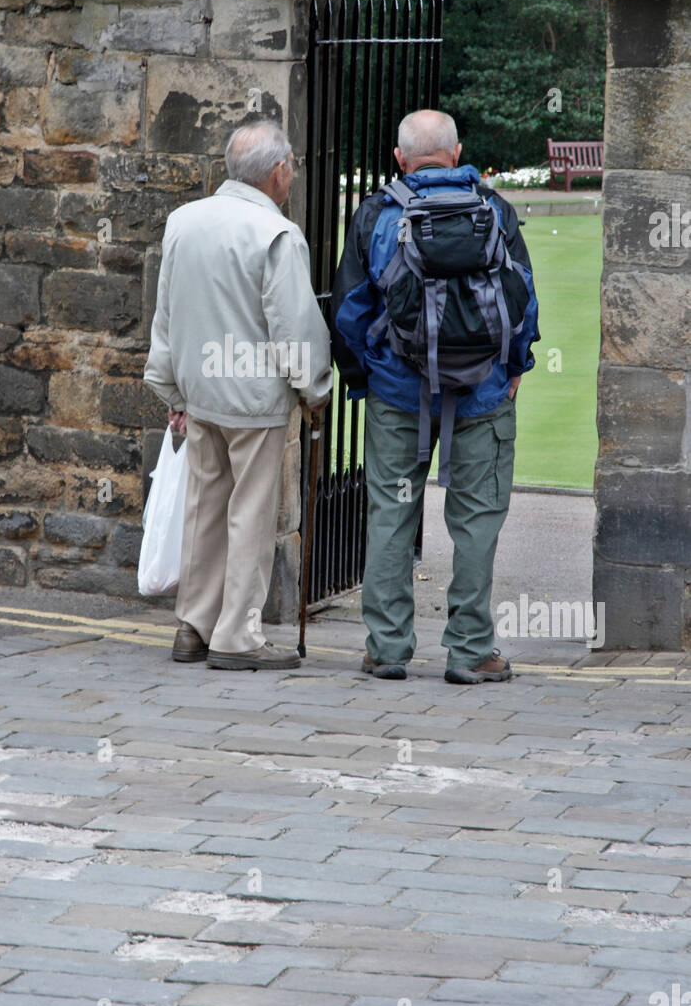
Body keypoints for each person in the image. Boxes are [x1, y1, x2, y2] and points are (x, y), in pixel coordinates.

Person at [330, 109, 540, 683]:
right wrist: (515, 364)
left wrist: (363, 376)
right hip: (483, 395)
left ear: (400, 158)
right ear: (457, 152)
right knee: (476, 522)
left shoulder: (377, 212)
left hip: (399, 396)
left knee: (392, 516)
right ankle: (471, 653)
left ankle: (388, 649)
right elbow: (524, 301)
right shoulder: (495, 209)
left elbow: (348, 312)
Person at [144, 120, 332, 671]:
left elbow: (166, 314)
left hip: (201, 392)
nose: (292, 174)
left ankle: (193, 624)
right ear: (278, 173)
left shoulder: (184, 221)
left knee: (204, 510)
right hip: (254, 399)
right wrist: (315, 388)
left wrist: (169, 386)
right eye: (291, 165)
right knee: (248, 514)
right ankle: (237, 635)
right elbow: (294, 325)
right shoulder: (277, 234)